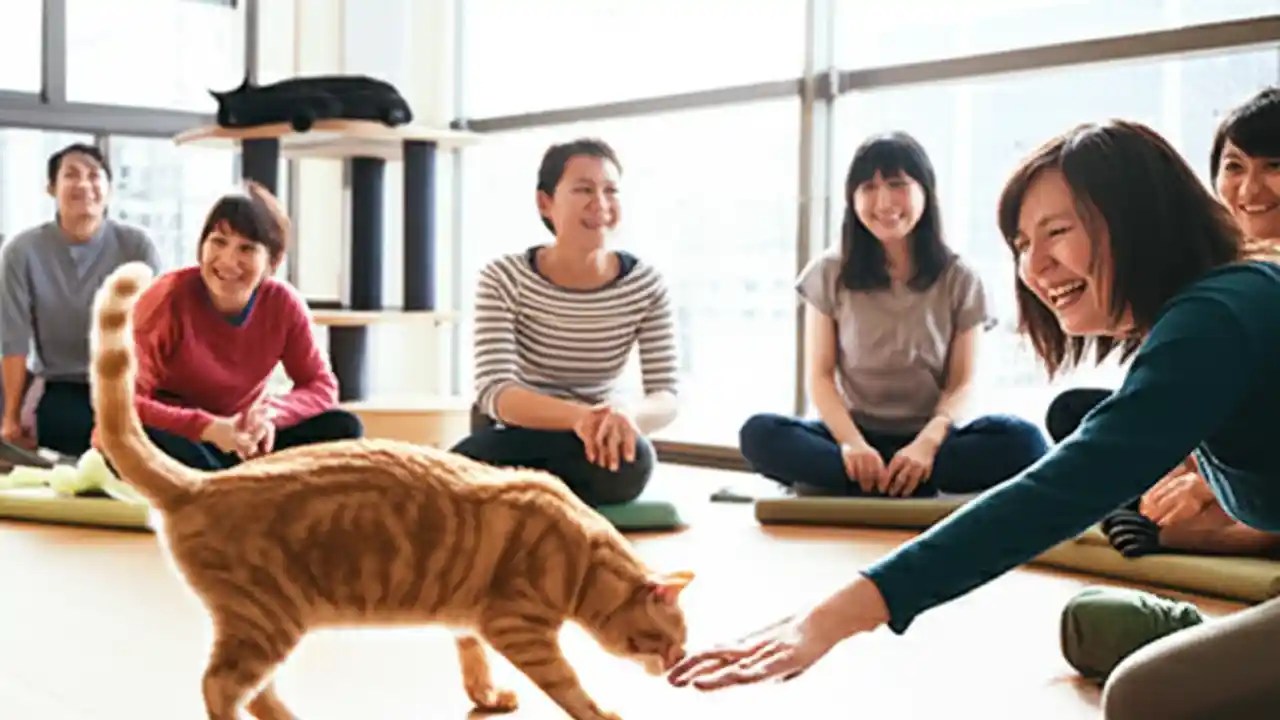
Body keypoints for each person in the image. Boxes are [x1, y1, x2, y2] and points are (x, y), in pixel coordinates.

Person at [668, 120, 1280, 720]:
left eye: (1057, 232)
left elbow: (1061, 488)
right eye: (1020, 245)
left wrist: (833, 617)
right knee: (1098, 629)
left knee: (1144, 696)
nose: (1034, 267)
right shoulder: (1218, 307)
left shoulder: (1217, 316)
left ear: (1138, 218)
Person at [738, 131, 1047, 498]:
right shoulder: (829, 271)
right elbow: (820, 377)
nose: (883, 201)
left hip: (933, 441)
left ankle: (890, 477)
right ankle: (885, 478)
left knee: (1024, 442)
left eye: (897, 184)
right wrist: (852, 444)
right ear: (852, 199)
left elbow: (961, 383)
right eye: (868, 187)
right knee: (759, 434)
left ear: (925, 192)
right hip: (848, 437)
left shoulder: (960, 277)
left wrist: (926, 445)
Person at [1048, 86, 1280, 560]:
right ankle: (1183, 512)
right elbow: (1195, 390)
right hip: (1229, 438)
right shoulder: (1220, 264)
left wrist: (1205, 485)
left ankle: (1213, 533)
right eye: (1235, 166)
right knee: (1077, 415)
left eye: (1274, 167)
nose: (1249, 190)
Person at [450, 138, 679, 507]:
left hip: (598, 443)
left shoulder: (645, 284)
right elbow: (496, 391)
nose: (601, 204)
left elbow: (666, 395)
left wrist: (623, 415)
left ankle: (522, 499)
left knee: (636, 461)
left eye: (611, 190)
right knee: (453, 471)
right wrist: (580, 417)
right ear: (545, 202)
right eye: (584, 189)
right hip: (518, 433)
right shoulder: (503, 277)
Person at [119, 181, 362, 471]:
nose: (229, 260)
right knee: (149, 443)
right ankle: (235, 487)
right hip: (175, 434)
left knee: (343, 426)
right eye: (219, 242)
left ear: (273, 261)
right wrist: (208, 427)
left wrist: (269, 416)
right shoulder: (167, 297)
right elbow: (123, 400)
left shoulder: (283, 304)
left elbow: (320, 386)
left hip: (239, 439)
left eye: (246, 248)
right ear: (202, 245)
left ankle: (234, 483)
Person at [0, 143, 160, 457]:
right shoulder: (22, 251)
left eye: (94, 175)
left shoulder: (137, 245)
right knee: (66, 431)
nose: (84, 184)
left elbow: (155, 330)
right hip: (63, 382)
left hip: (128, 385)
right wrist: (11, 416)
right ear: (52, 188)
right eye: (71, 175)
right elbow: (14, 340)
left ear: (109, 190)